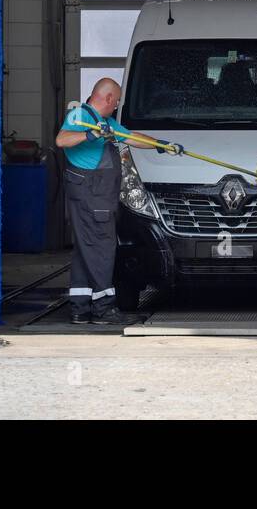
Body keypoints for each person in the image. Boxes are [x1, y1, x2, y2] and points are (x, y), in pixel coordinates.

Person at [54, 78, 181, 325]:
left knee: (86, 248)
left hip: (96, 195)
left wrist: (160, 145)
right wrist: (89, 135)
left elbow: (131, 137)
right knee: (102, 248)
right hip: (92, 195)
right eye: (117, 101)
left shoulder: (106, 123)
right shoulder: (82, 116)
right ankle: (104, 309)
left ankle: (80, 307)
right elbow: (62, 139)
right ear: (109, 98)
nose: (117, 106)